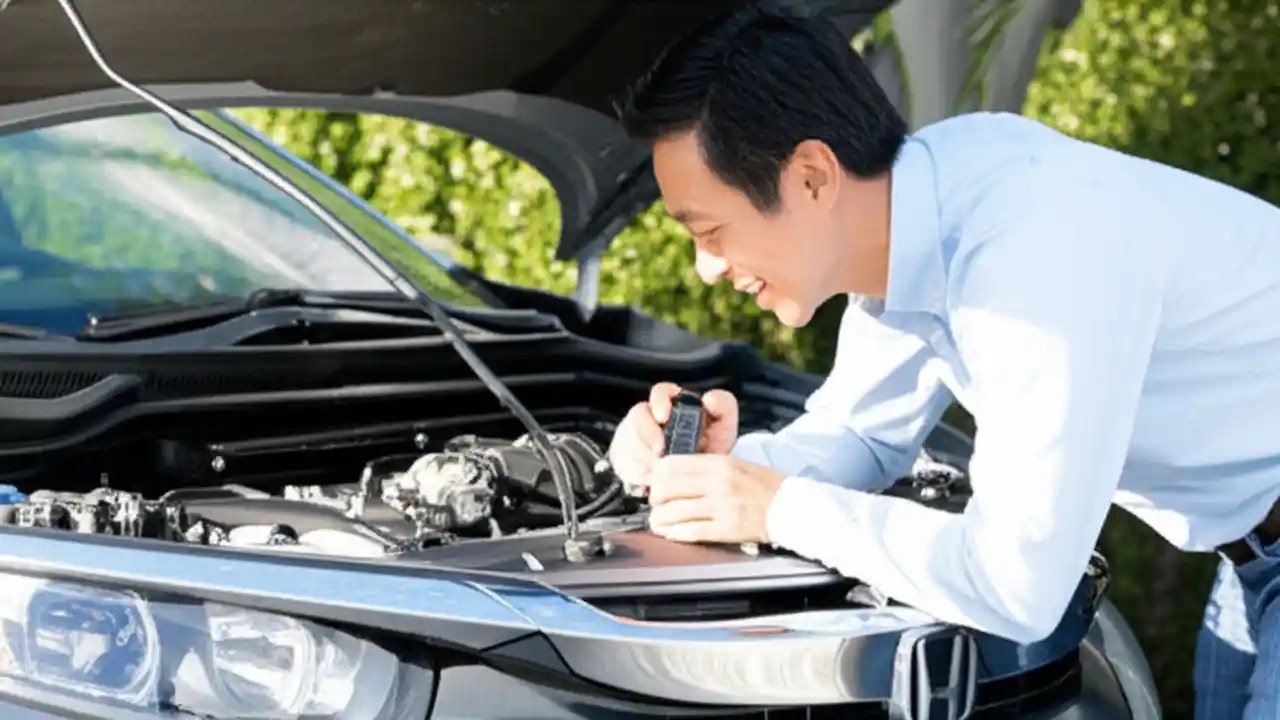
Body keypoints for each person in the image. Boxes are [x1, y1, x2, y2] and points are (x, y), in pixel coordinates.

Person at [603, 4, 1280, 718]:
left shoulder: (1033, 259)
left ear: (810, 176)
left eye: (710, 231)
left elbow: (1016, 586)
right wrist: (716, 472)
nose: (706, 267)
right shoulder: (927, 202)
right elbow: (860, 435)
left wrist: (775, 504)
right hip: (1250, 557)